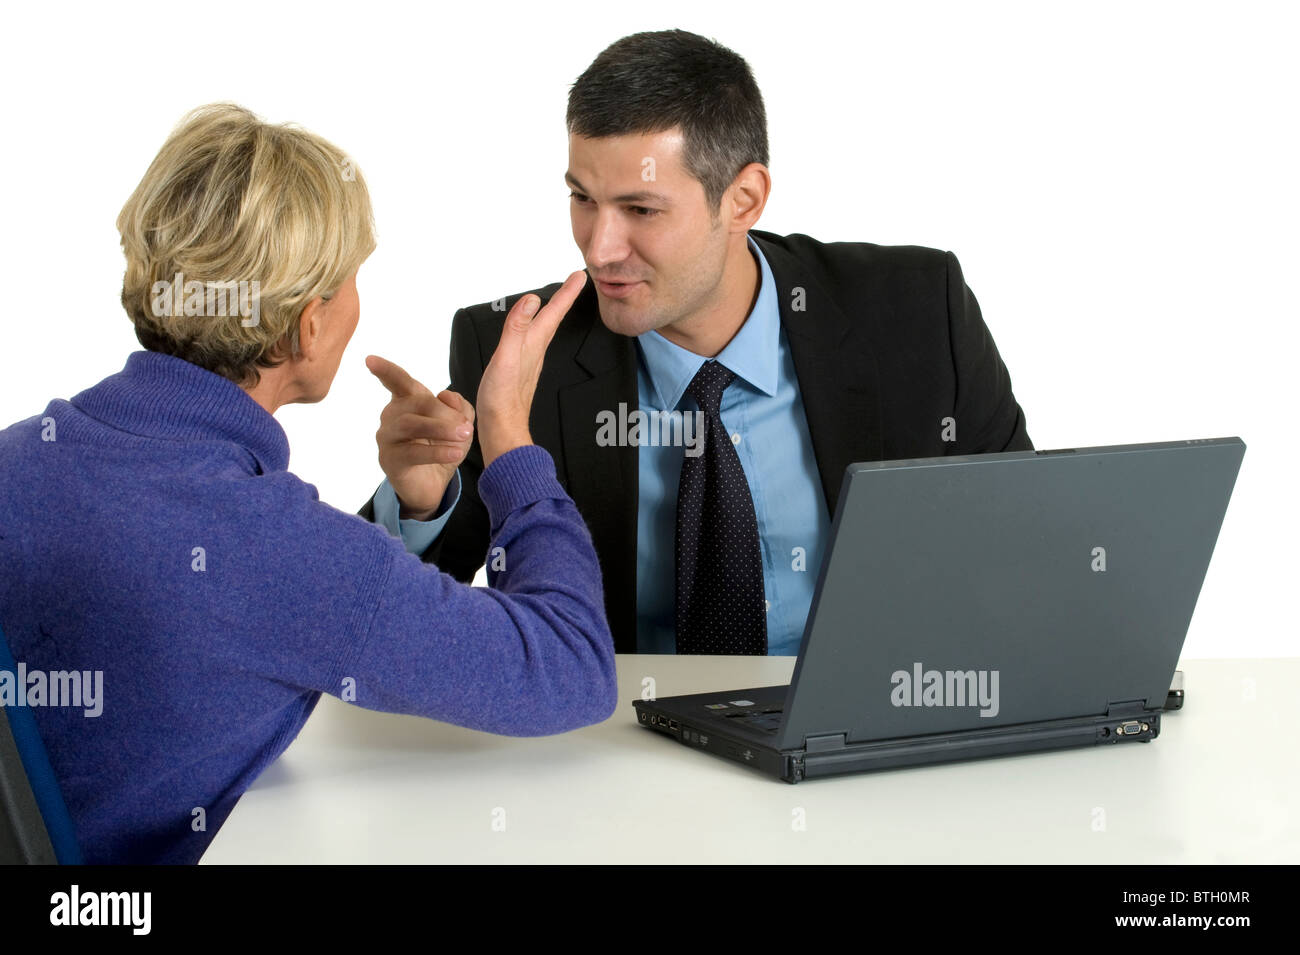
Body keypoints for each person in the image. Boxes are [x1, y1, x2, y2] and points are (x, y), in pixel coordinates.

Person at [0, 103, 616, 865]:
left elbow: (279, 611)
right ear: (309, 325)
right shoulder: (270, 543)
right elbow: (570, 666)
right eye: (350, 281)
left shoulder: (18, 459)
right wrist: (511, 442)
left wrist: (411, 507)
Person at [362, 29, 1034, 656]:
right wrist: (421, 503)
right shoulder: (514, 349)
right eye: (583, 199)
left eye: (641, 210)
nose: (600, 248)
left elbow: (1025, 541)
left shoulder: (916, 309)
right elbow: (395, 616)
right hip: (622, 751)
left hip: (865, 733)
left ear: (743, 199)